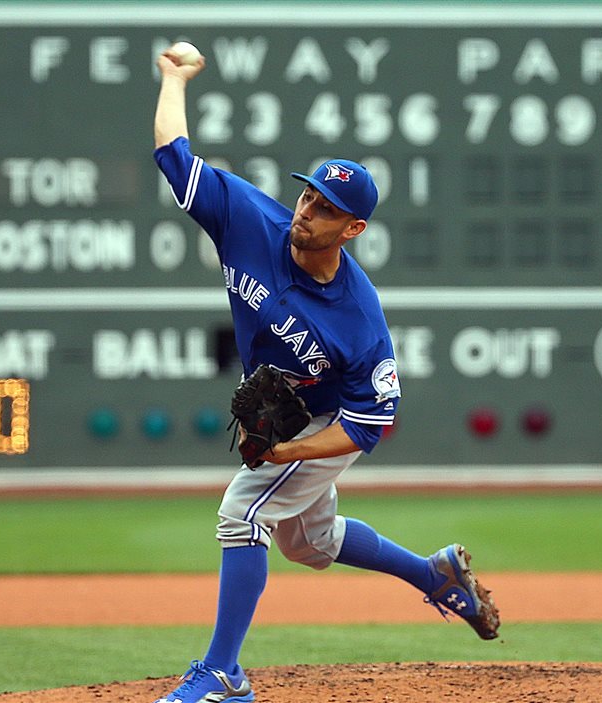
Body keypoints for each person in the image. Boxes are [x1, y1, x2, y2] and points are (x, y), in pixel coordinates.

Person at [149, 43, 500, 703]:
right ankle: (435, 574)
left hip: (321, 420)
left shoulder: (359, 322)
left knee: (242, 511)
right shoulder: (251, 218)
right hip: (285, 405)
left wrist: (288, 450)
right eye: (307, 195)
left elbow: (369, 426)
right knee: (310, 543)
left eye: (324, 208)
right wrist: (174, 80)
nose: (306, 211)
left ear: (353, 227)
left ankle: (222, 671)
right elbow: (176, 157)